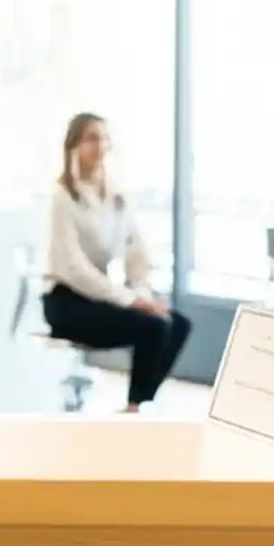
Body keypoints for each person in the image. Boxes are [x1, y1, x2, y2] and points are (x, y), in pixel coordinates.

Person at [42, 113, 191, 413]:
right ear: (73, 146)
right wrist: (129, 300)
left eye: (104, 138)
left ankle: (137, 404)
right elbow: (74, 268)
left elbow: (137, 251)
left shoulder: (116, 195)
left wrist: (143, 294)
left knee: (176, 324)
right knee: (153, 327)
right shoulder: (62, 196)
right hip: (67, 301)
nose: (100, 145)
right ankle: (134, 409)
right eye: (91, 138)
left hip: (98, 296)